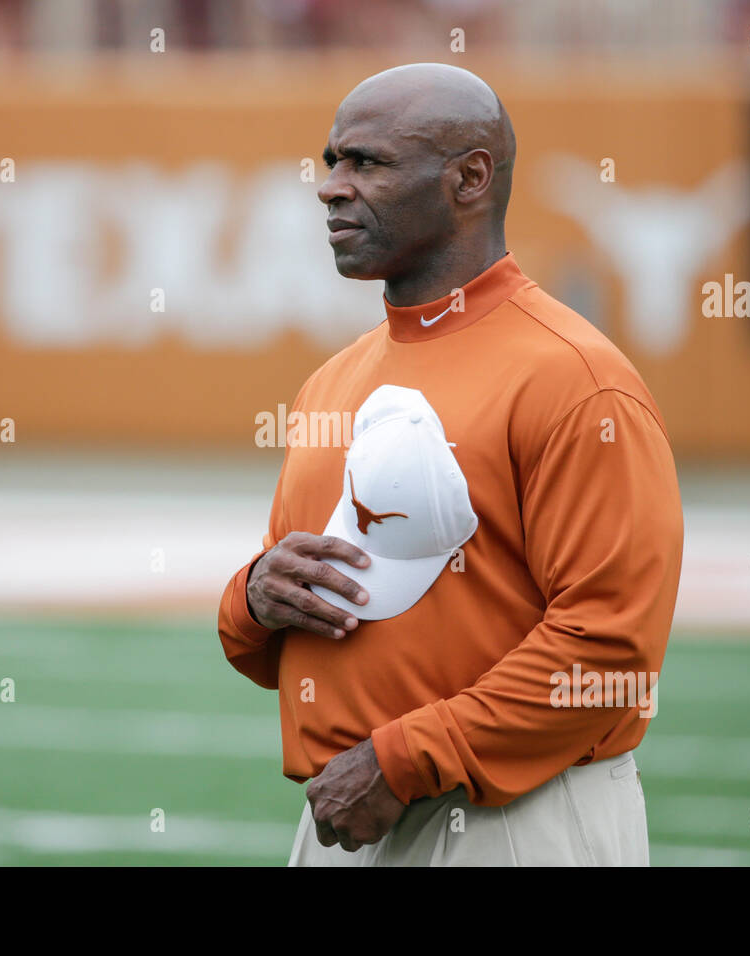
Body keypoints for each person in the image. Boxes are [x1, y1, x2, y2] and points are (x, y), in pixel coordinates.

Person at [216, 62, 683, 866]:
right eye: (331, 161)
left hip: (517, 813)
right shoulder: (334, 381)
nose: (331, 186)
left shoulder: (576, 378)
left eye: (366, 162)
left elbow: (611, 650)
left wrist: (402, 760)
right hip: (349, 809)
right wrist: (253, 600)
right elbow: (301, 623)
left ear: (471, 178)